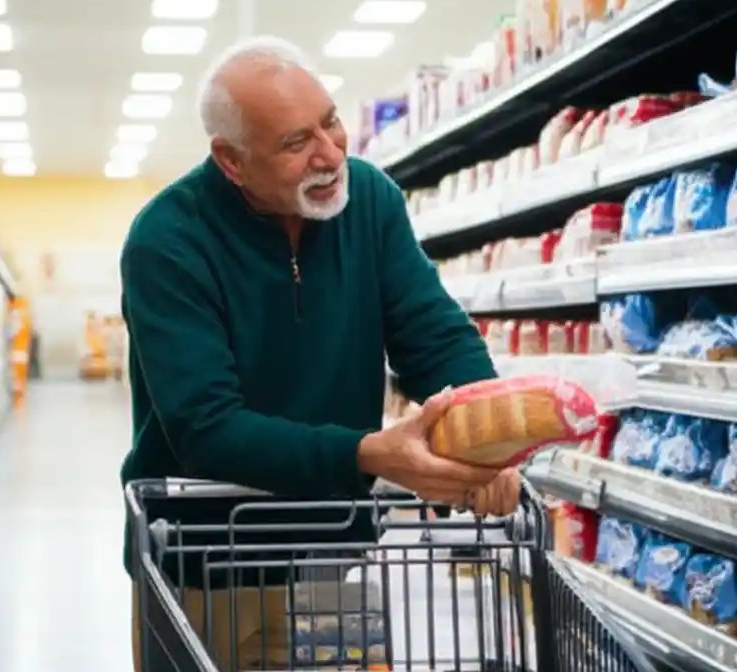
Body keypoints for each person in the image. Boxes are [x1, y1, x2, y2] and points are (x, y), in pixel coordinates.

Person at [119, 36, 521, 671]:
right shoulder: (168, 240)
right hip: (206, 560)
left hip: (330, 546)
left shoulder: (371, 201)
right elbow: (206, 427)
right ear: (231, 160)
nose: (331, 154)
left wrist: (486, 432)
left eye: (331, 121)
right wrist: (367, 455)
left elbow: (432, 333)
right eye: (294, 142)